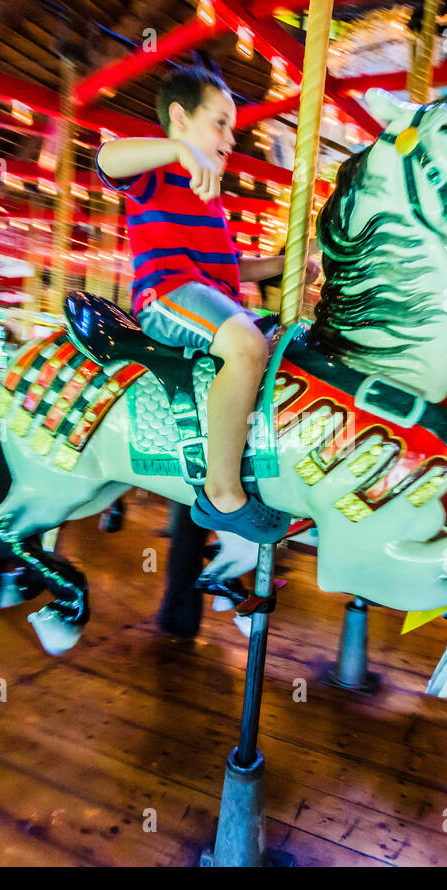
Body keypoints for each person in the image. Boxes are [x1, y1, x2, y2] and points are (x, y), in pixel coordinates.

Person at [96, 62, 316, 544]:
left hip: (213, 298)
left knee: (296, 343)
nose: (230, 139)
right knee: (247, 346)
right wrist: (178, 149)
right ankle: (221, 492)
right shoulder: (155, 170)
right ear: (180, 117)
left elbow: (234, 267)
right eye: (220, 123)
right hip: (166, 296)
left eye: (231, 129)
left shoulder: (208, 196)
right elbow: (106, 159)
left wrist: (286, 264)